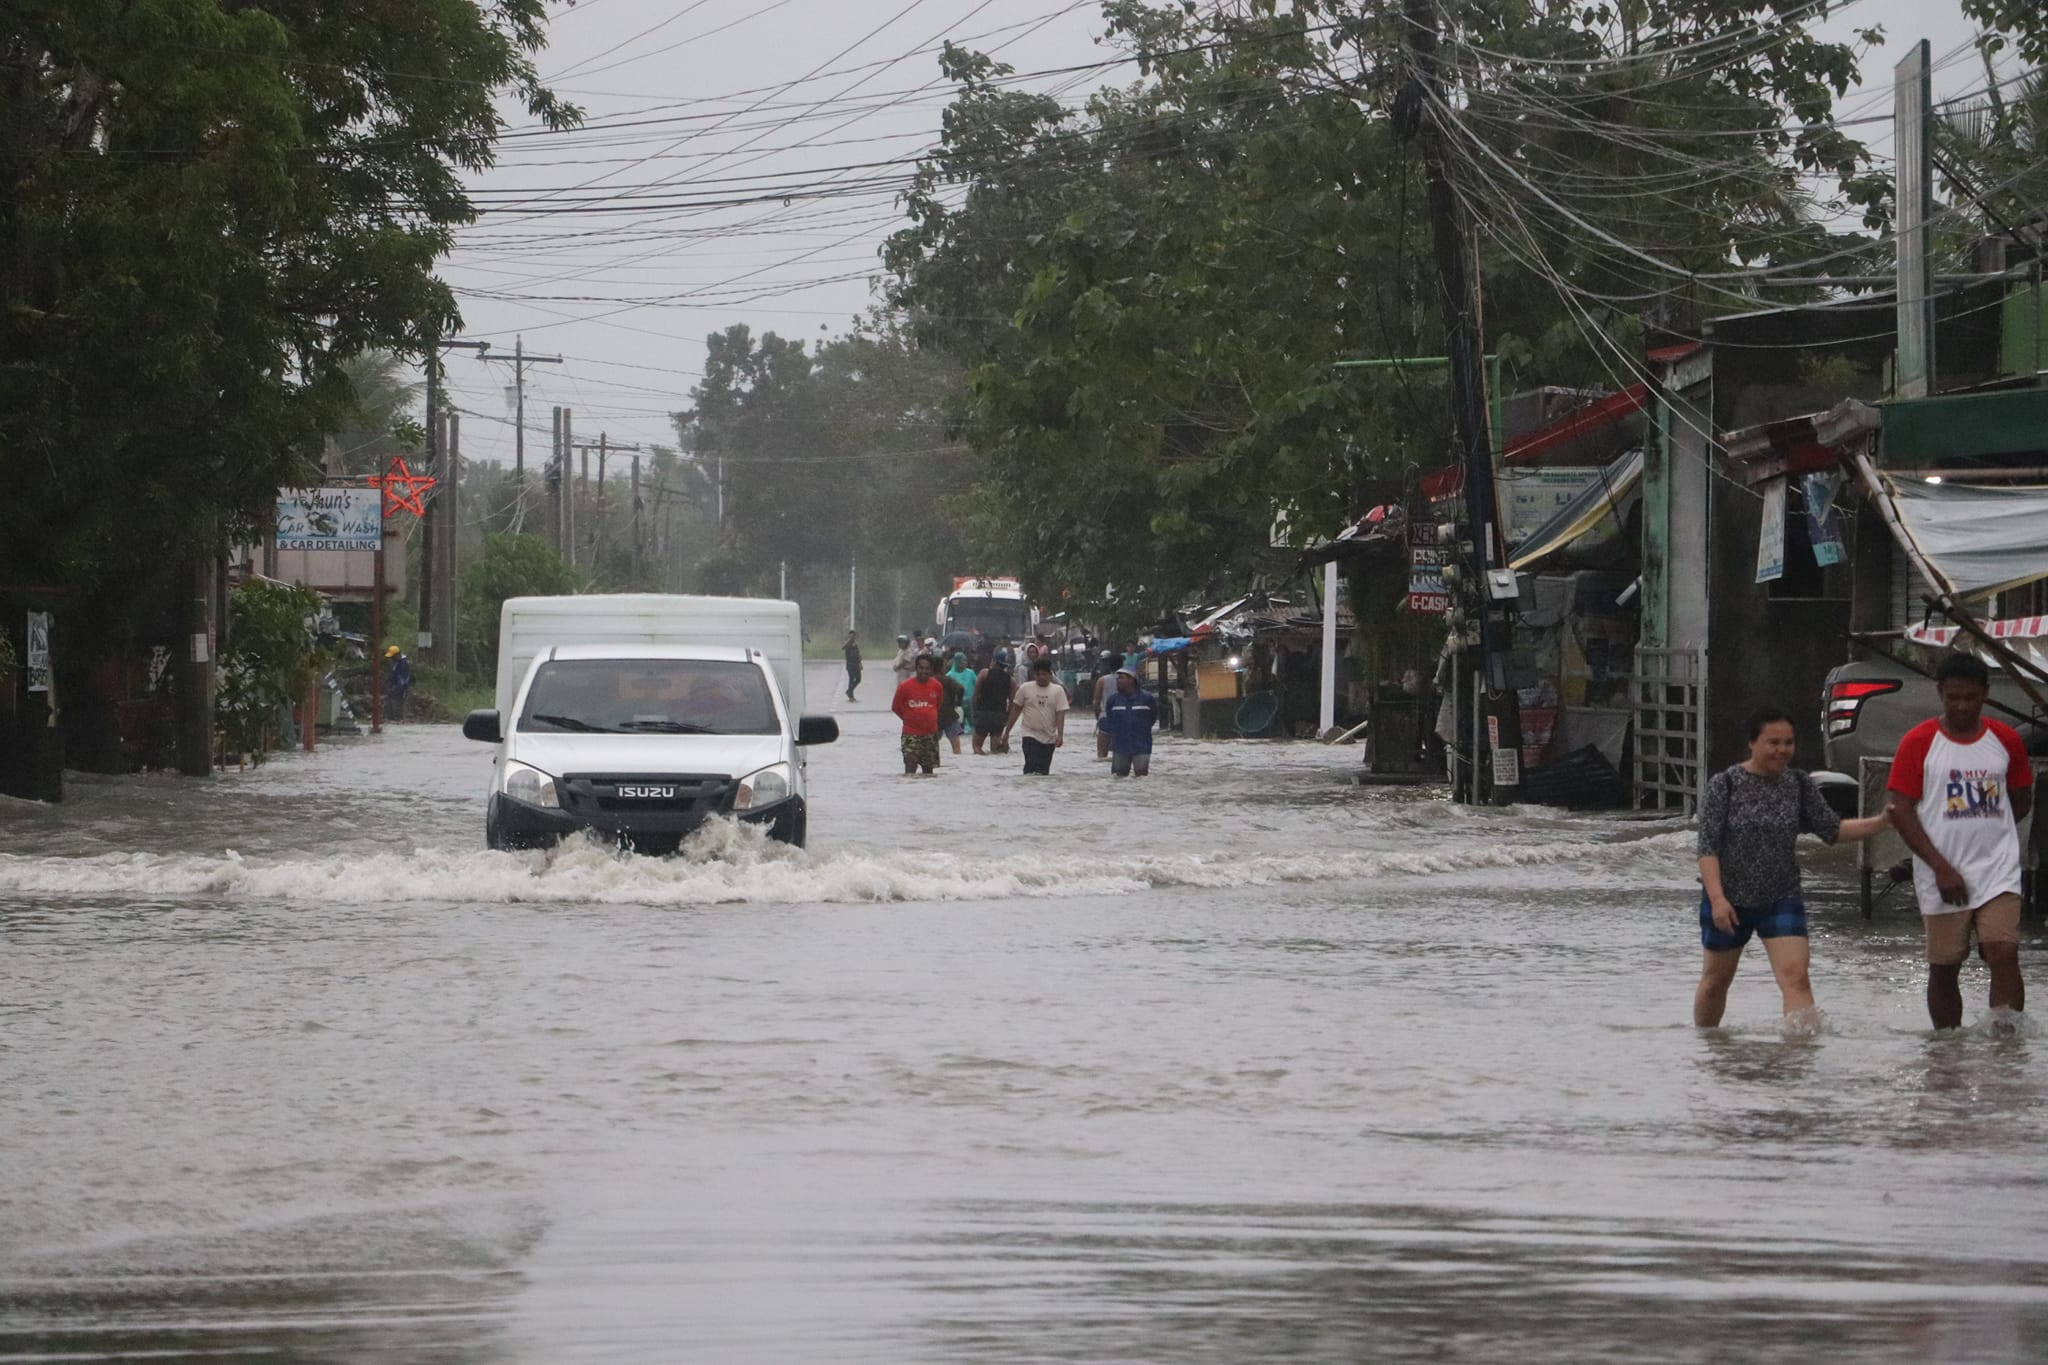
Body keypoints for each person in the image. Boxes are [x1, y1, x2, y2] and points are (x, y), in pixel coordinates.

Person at [1693, 706, 1888, 1028]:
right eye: (1773, 742)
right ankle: (1707, 1046)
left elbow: (1833, 830)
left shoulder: (1798, 784)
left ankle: (1799, 1057)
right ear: (1752, 743)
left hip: (1781, 896)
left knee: (1796, 978)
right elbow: (1707, 847)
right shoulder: (1724, 784)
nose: (1782, 750)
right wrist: (1717, 900)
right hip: (1728, 899)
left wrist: (1881, 823)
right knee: (1715, 982)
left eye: (1788, 742)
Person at [1885, 653, 2035, 1030]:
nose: (1961, 705)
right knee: (1945, 965)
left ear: (1985, 694)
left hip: (1997, 869)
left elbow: (2020, 800)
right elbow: (1901, 810)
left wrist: (1991, 833)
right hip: (1940, 872)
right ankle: (1948, 1050)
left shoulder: (2007, 741)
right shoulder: (1918, 742)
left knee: (2003, 952)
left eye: (1970, 697)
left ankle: (2005, 1041)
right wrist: (1941, 866)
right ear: (1940, 693)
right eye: (1953, 697)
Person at [1003, 656, 1069, 775]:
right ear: (1034, 675)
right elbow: (1015, 711)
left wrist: (1060, 735)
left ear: (1050, 674)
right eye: (1038, 674)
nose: (1041, 677)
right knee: (1030, 768)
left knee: (1043, 772)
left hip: (1049, 738)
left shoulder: (1058, 690)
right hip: (1029, 734)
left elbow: (1060, 713)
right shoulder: (1025, 688)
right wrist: (1007, 732)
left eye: (1044, 674)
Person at [1099, 666, 1159, 777]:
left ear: (1131, 679)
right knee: (1118, 776)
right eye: (1118, 678)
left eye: (1121, 678)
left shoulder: (1147, 698)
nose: (1118, 680)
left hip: (1142, 745)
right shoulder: (1113, 700)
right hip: (1120, 746)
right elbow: (1110, 720)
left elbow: (1152, 718)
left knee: (1141, 775)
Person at [891, 653, 943, 776]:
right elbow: (896, 707)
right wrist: (910, 719)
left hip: (930, 734)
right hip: (911, 734)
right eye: (921, 668)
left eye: (927, 668)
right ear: (916, 668)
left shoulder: (937, 686)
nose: (924, 671)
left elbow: (937, 705)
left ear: (931, 670)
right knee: (910, 767)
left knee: (928, 772)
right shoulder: (905, 686)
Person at [974, 648, 1013, 755]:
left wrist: (974, 712)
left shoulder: (984, 673)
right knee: (995, 750)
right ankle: (1004, 748)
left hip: (983, 713)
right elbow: (1012, 703)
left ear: (994, 661)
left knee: (977, 747)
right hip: (999, 715)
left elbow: (975, 695)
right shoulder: (1011, 680)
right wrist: (1006, 718)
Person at [945, 651, 977, 752]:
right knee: (959, 727)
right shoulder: (949, 675)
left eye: (966, 661)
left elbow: (977, 686)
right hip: (957, 705)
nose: (965, 663)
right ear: (957, 662)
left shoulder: (971, 673)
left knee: (973, 724)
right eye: (963, 661)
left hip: (970, 703)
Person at [1091, 651, 1118, 760]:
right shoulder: (1128, 679)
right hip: (1122, 718)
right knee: (1121, 755)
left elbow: (1096, 702)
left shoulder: (1101, 680)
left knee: (1102, 756)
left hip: (1105, 717)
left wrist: (1098, 717)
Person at [384, 644, 412, 722]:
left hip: (401, 688)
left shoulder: (403, 663)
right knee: (390, 703)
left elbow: (403, 679)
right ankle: (392, 718)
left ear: (397, 655)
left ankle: (398, 719)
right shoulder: (397, 662)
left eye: (392, 657)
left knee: (398, 705)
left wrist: (396, 688)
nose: (391, 659)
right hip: (395, 687)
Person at [842, 630, 862, 702]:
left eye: (853, 635)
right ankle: (851, 696)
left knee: (858, 679)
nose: (852, 637)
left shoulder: (856, 644)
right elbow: (843, 648)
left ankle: (849, 690)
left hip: (856, 664)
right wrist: (848, 642)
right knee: (851, 679)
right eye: (850, 635)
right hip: (850, 664)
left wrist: (860, 663)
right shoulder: (847, 643)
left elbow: (858, 654)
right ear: (849, 636)